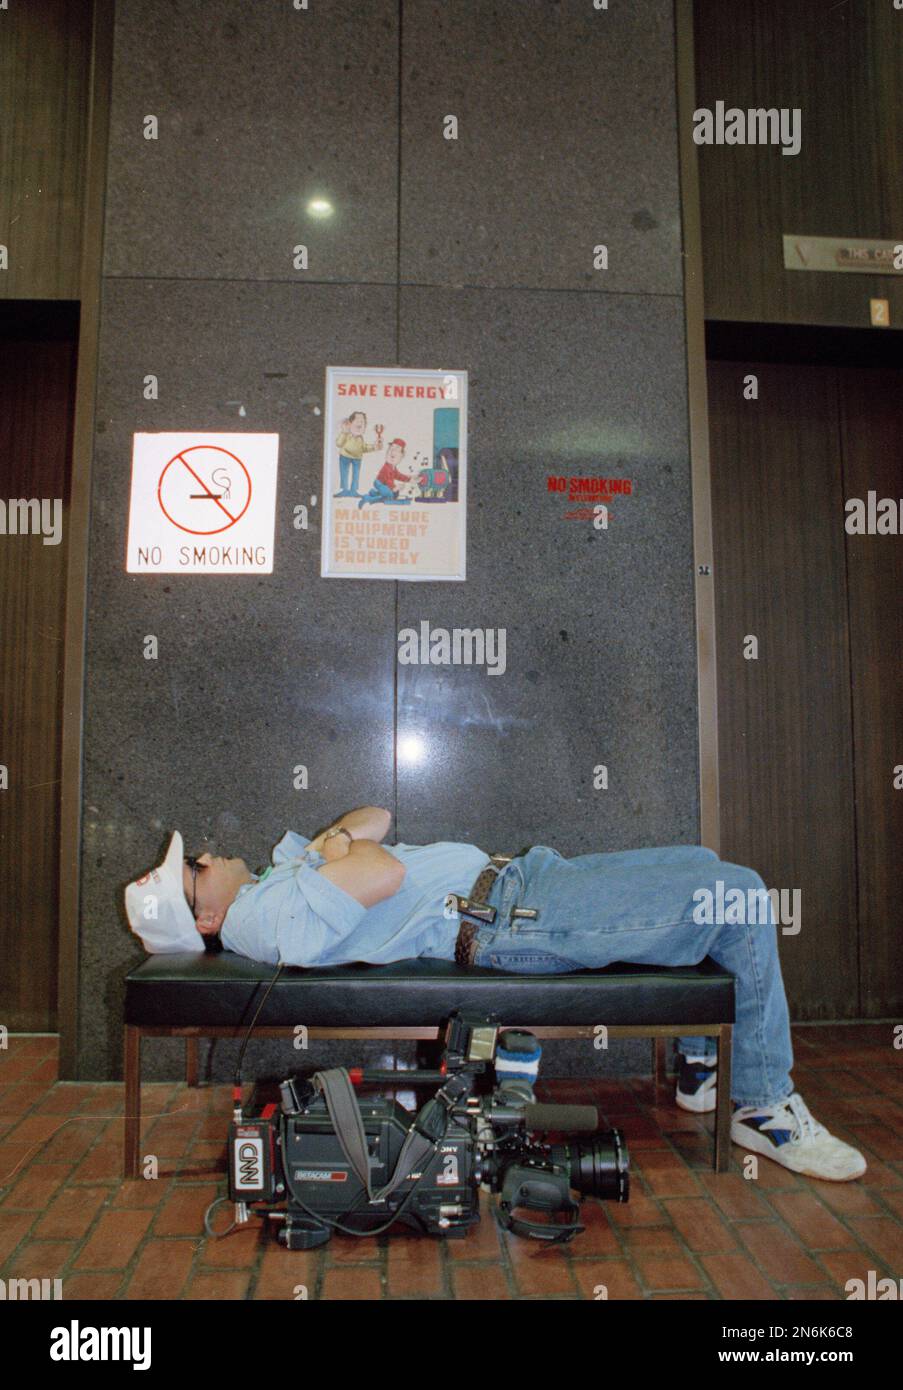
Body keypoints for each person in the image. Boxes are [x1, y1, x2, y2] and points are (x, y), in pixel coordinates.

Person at [124, 806, 867, 1183]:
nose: (210, 853)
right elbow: (378, 869)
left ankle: (705, 1065)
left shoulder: (276, 880)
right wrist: (339, 849)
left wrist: (333, 847)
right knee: (733, 893)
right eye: (195, 867)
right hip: (516, 920)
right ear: (207, 918)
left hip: (522, 884)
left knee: (702, 866)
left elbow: (373, 819)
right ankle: (764, 1106)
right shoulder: (260, 918)